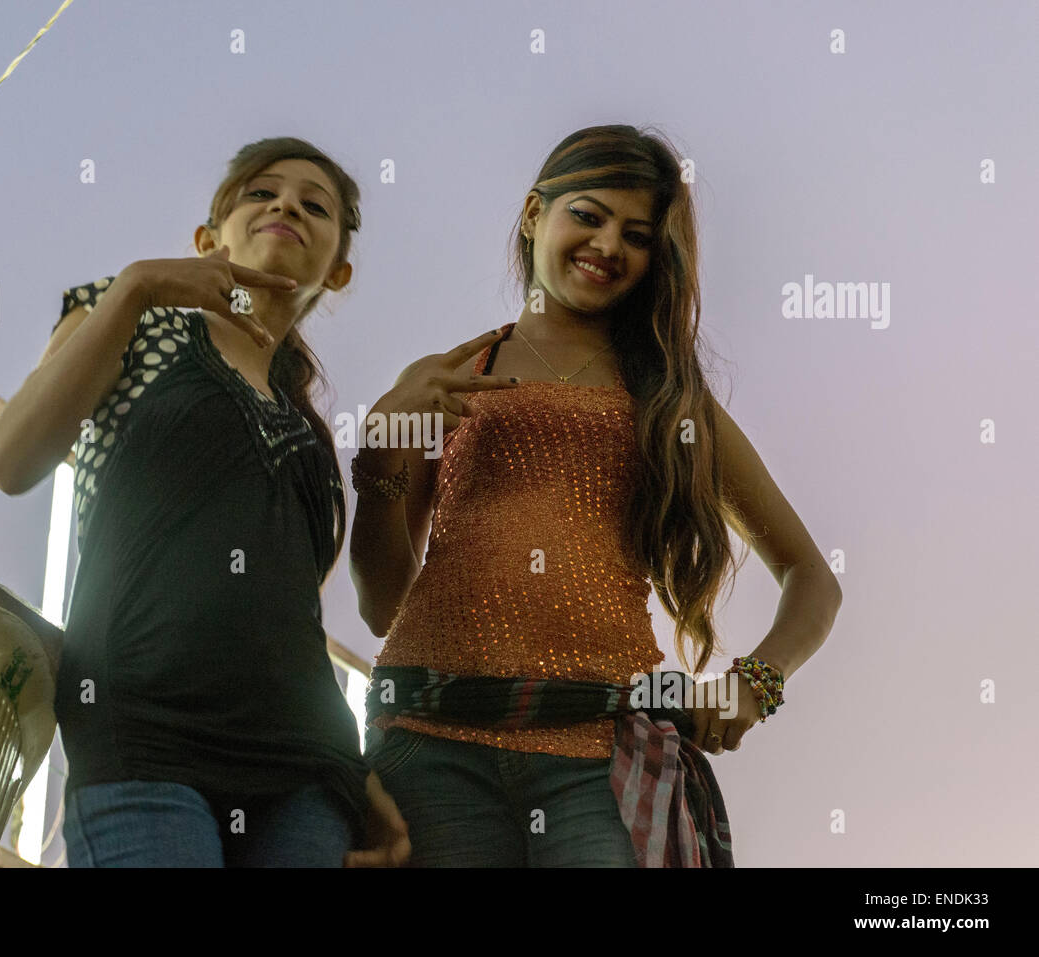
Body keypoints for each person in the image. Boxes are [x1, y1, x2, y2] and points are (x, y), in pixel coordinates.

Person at [0, 137, 414, 868]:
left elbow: (278, 633)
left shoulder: (307, 434)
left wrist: (352, 770)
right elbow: (14, 457)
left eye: (316, 206)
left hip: (307, 781)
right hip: (144, 743)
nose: (286, 207)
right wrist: (138, 285)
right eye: (262, 192)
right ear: (207, 238)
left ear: (337, 271)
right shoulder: (133, 318)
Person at [348, 125, 844, 867]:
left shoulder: (669, 398)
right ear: (532, 214)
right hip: (429, 738)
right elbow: (384, 604)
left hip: (599, 754)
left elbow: (813, 577)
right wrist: (381, 454)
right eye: (588, 214)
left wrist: (755, 683)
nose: (609, 244)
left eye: (637, 234)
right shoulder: (449, 373)